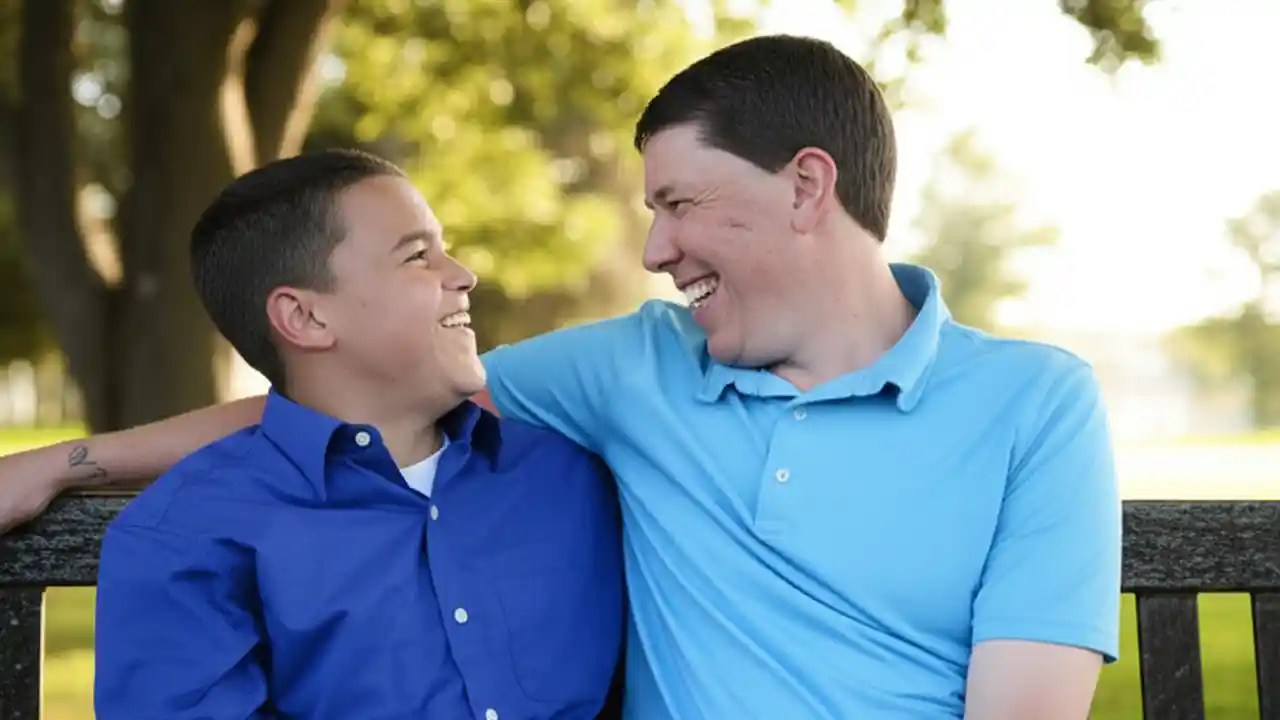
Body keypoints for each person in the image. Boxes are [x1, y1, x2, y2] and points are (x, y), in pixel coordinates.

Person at [1, 35, 1119, 719]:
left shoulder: (1034, 405)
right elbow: (344, 403)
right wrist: (70, 460)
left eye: (678, 203)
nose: (652, 251)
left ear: (805, 185)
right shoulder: (630, 370)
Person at [89, 149, 625, 719]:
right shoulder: (185, 535)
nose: (464, 276)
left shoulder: (569, 476)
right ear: (306, 318)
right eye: (418, 256)